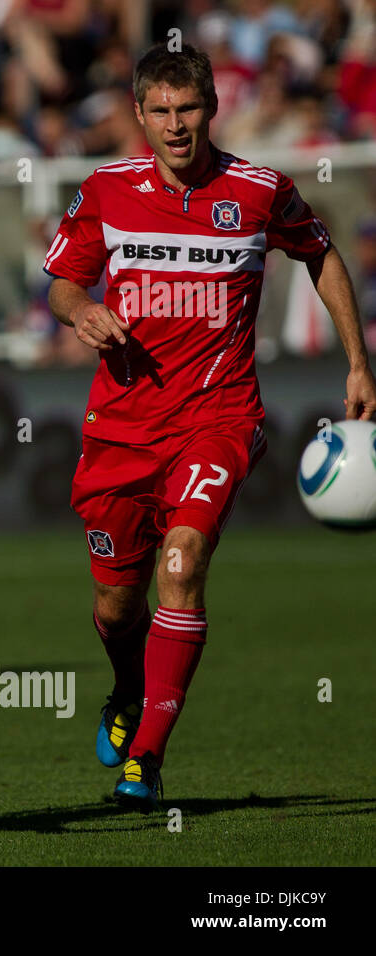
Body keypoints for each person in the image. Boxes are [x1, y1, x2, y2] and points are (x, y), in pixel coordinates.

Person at [44, 44, 376, 812]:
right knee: (115, 606)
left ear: (212, 106)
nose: (175, 125)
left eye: (187, 108)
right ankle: (128, 691)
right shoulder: (106, 189)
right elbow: (63, 281)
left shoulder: (260, 191)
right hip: (121, 430)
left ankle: (147, 762)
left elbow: (321, 255)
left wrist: (358, 361)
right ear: (138, 113)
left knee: (184, 565)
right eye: (159, 111)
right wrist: (83, 310)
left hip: (218, 417)